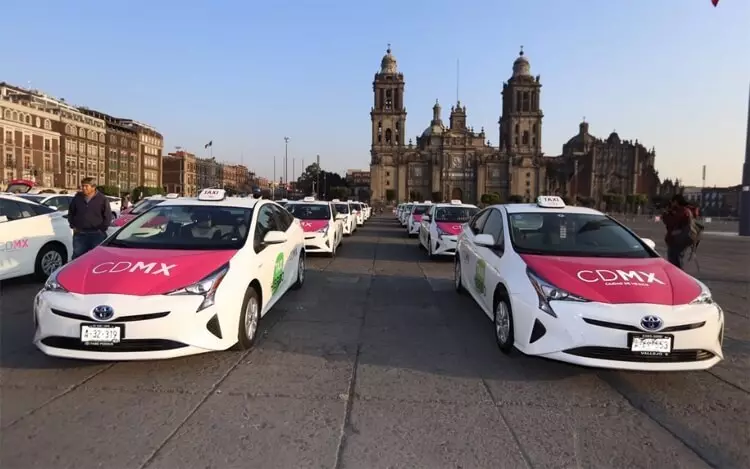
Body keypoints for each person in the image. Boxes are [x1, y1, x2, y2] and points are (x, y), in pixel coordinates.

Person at [67, 177, 112, 259]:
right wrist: (73, 225)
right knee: (78, 257)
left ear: (93, 187)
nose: (84, 188)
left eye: (86, 186)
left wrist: (102, 229)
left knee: (97, 258)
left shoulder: (102, 199)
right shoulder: (77, 198)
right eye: (82, 186)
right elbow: (71, 212)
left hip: (97, 234)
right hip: (80, 234)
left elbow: (108, 216)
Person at [661, 194, 697, 269]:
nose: (671, 204)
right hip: (680, 238)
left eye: (672, 202)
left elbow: (672, 222)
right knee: (676, 259)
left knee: (675, 261)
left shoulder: (683, 211)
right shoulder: (685, 210)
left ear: (676, 202)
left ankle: (678, 277)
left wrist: (665, 215)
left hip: (678, 239)